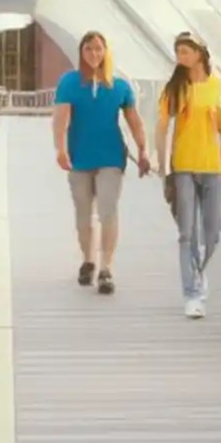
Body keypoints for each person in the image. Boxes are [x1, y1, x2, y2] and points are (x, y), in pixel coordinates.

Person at [52, 31, 150, 294]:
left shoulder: (119, 86)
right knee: (84, 215)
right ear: (81, 53)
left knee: (108, 209)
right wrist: (60, 149)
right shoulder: (70, 82)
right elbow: (60, 118)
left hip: (110, 156)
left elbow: (134, 120)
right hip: (79, 157)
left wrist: (143, 150)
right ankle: (88, 259)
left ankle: (106, 267)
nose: (94, 54)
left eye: (98, 49)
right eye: (88, 49)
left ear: (105, 52)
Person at [154, 32, 221, 319]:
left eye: (186, 51)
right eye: (179, 52)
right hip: (183, 166)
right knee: (187, 233)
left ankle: (199, 272)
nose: (182, 57)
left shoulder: (217, 86)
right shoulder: (175, 89)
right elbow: (161, 126)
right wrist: (162, 164)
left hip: (214, 167)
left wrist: (219, 120)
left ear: (200, 53)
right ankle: (192, 293)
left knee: (213, 233)